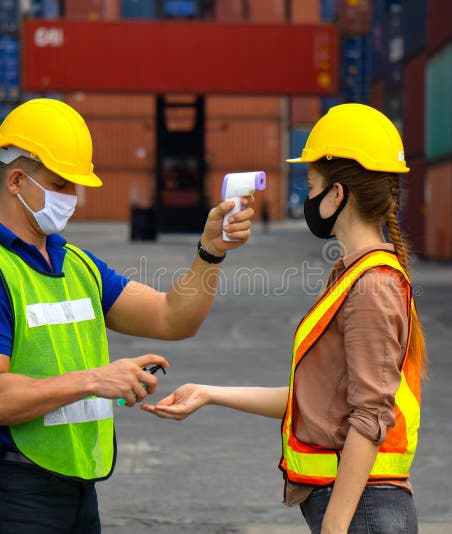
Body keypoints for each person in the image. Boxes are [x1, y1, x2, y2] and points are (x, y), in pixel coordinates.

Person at [0, 98, 254, 533]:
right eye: (60, 184)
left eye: (74, 186)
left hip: (78, 487)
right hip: (11, 493)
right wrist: (95, 379)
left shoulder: (79, 266)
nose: (72, 198)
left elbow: (172, 318)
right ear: (16, 181)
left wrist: (211, 251)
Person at [143, 103, 428, 534]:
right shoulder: (354, 274)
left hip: (362, 510)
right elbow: (316, 401)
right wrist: (209, 394)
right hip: (359, 506)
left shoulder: (372, 286)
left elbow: (369, 419)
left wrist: (334, 527)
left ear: (337, 195)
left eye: (312, 188)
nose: (308, 199)